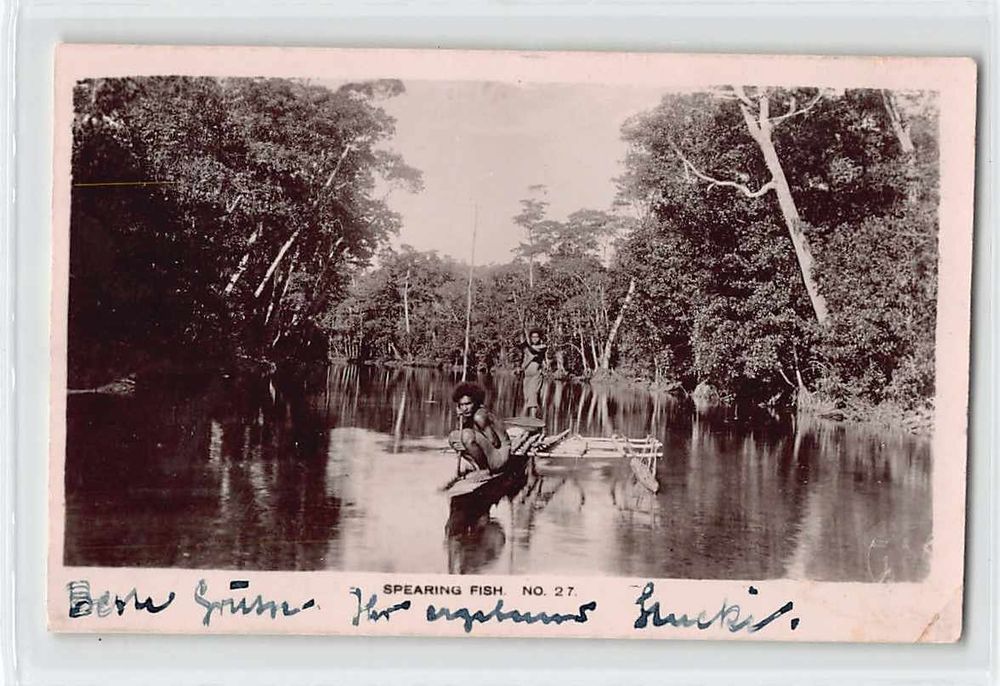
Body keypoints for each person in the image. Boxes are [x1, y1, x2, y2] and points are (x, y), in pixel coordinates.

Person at [447, 382, 511, 476]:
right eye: (462, 405)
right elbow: (462, 434)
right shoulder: (468, 416)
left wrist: (468, 440)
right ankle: (476, 466)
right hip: (491, 455)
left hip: (501, 456)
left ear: (476, 402)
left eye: (468, 404)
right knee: (453, 437)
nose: (465, 408)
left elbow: (495, 443)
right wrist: (459, 419)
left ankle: (484, 469)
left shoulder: (479, 416)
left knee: (466, 436)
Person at [519, 328, 547, 418]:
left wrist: (522, 367)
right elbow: (526, 357)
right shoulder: (528, 348)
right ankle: (522, 421)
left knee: (533, 399)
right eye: (533, 337)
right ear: (530, 338)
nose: (535, 339)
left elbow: (531, 355)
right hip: (527, 376)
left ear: (540, 338)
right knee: (526, 399)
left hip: (536, 376)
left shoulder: (542, 347)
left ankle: (533, 420)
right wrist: (520, 368)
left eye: (536, 337)